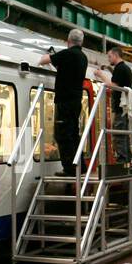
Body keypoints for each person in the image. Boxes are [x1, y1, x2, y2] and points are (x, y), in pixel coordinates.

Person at [39, 28, 89, 176]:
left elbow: (43, 61)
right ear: (81, 42)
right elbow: (65, 68)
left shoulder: (67, 54)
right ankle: (81, 166)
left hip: (64, 101)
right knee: (73, 134)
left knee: (63, 135)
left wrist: (49, 55)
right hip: (76, 101)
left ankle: (69, 169)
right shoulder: (83, 57)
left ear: (68, 41)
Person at [105, 47, 132, 164]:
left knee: (119, 135)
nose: (108, 59)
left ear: (116, 55)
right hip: (123, 108)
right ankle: (126, 160)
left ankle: (122, 161)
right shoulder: (125, 68)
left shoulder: (120, 68)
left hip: (120, 108)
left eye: (110, 56)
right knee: (123, 135)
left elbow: (113, 86)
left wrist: (101, 75)